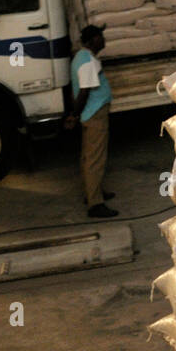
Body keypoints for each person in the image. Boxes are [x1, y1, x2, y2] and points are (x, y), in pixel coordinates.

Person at [65, 25, 116, 219]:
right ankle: (95, 204)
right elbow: (84, 92)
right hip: (94, 115)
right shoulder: (87, 61)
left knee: (89, 156)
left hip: (91, 113)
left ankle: (94, 192)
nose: (103, 40)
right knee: (95, 159)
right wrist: (74, 115)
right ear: (92, 40)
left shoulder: (82, 57)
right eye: (100, 37)